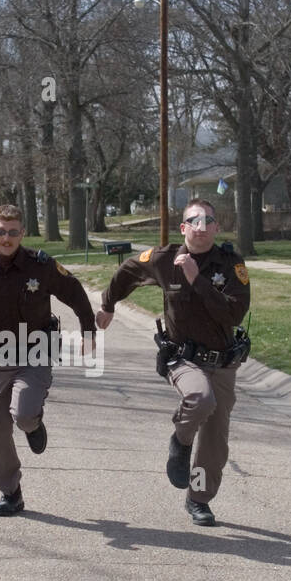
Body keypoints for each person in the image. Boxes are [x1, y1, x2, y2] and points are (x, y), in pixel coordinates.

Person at [95, 198, 250, 527]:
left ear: (216, 227)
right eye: (194, 220)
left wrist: (197, 280)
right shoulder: (164, 259)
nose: (201, 226)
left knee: (214, 444)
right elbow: (127, 272)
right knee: (199, 398)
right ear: (184, 228)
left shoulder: (231, 264)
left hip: (221, 361)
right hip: (182, 358)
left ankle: (198, 499)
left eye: (208, 220)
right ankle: (179, 442)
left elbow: (234, 313)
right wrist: (108, 304)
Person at [0, 204, 96, 516]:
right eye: (0, 231)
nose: (6, 238)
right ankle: (11, 492)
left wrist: (88, 331)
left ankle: (33, 423)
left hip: (34, 354)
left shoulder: (40, 266)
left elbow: (75, 292)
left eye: (13, 232)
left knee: (24, 413)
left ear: (22, 233)